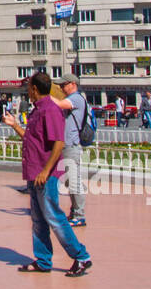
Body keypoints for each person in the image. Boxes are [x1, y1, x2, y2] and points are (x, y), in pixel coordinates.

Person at [5, 72, 91, 276]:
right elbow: (31, 139)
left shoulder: (51, 110)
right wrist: (15, 125)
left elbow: (58, 143)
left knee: (54, 216)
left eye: (29, 88)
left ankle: (81, 256)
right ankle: (43, 260)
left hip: (45, 174)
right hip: (34, 172)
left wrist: (45, 170)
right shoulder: (37, 111)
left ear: (35, 89)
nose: (28, 92)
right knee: (38, 219)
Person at [52, 72, 88, 226]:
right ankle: (74, 212)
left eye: (63, 85)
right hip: (65, 145)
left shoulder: (77, 98)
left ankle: (79, 215)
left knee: (74, 180)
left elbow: (59, 105)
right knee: (69, 181)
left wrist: (45, 94)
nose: (61, 88)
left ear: (73, 84)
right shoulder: (69, 98)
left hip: (71, 145)